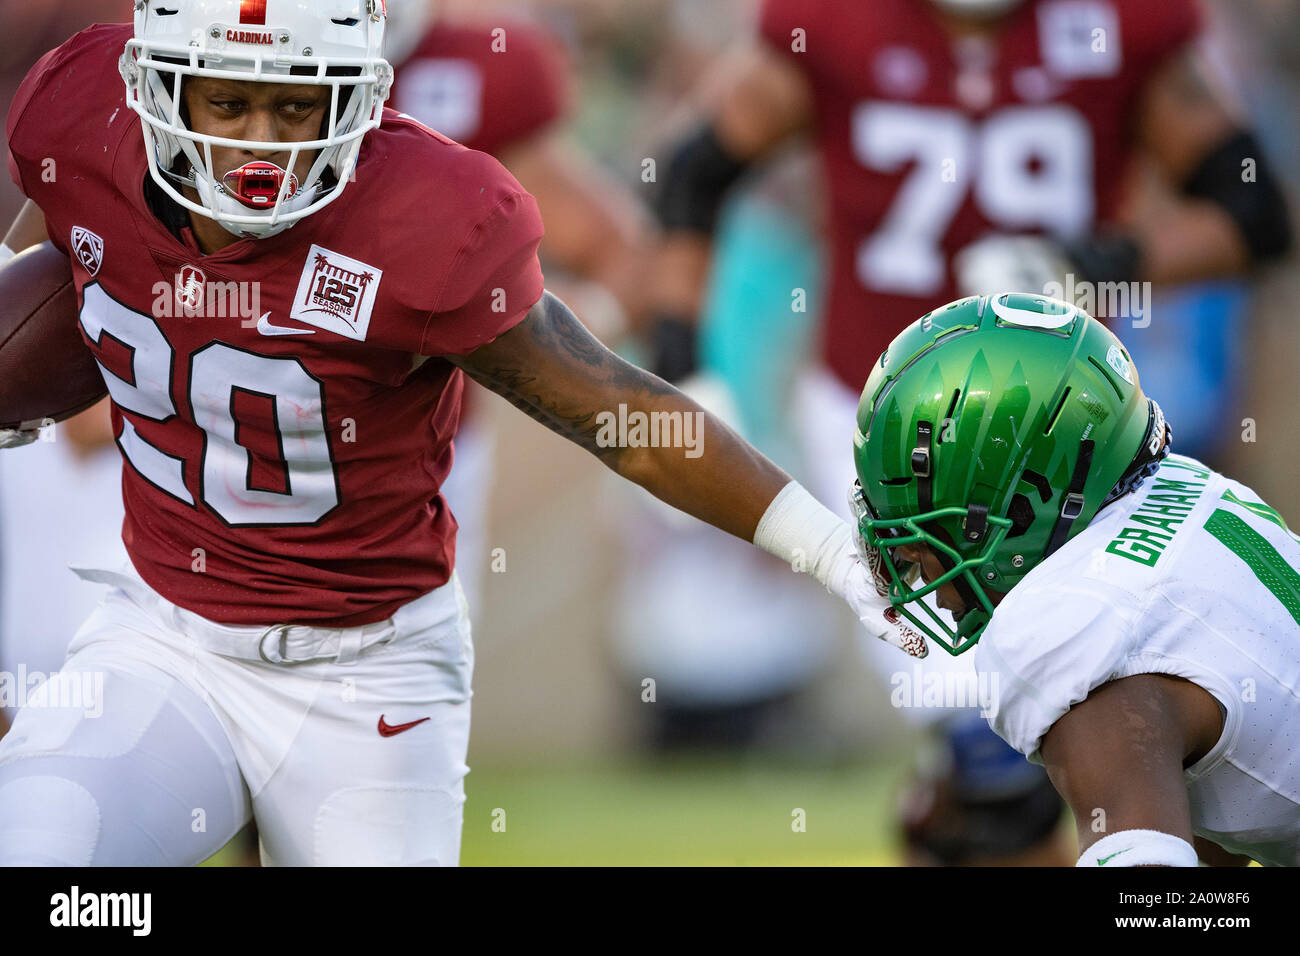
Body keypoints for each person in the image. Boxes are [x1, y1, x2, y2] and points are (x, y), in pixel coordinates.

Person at [0, 0, 910, 866]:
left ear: (357, 92)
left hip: (366, 679)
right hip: (168, 639)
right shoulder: (78, 117)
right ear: (157, 89)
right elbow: (63, 239)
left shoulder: (426, 216)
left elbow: (620, 418)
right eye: (228, 101)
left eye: (295, 102)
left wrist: (832, 550)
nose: (261, 145)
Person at [647, 0, 1291, 857]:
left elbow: (1253, 212)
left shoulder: (1124, 23)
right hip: (883, 424)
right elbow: (693, 172)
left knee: (1043, 756)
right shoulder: (833, 24)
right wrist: (680, 367)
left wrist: (1097, 262)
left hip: (1061, 439)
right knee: (995, 776)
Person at [854, 292, 1299, 866]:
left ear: (1016, 507)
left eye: (927, 551)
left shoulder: (1072, 635)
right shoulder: (1182, 490)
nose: (935, 594)